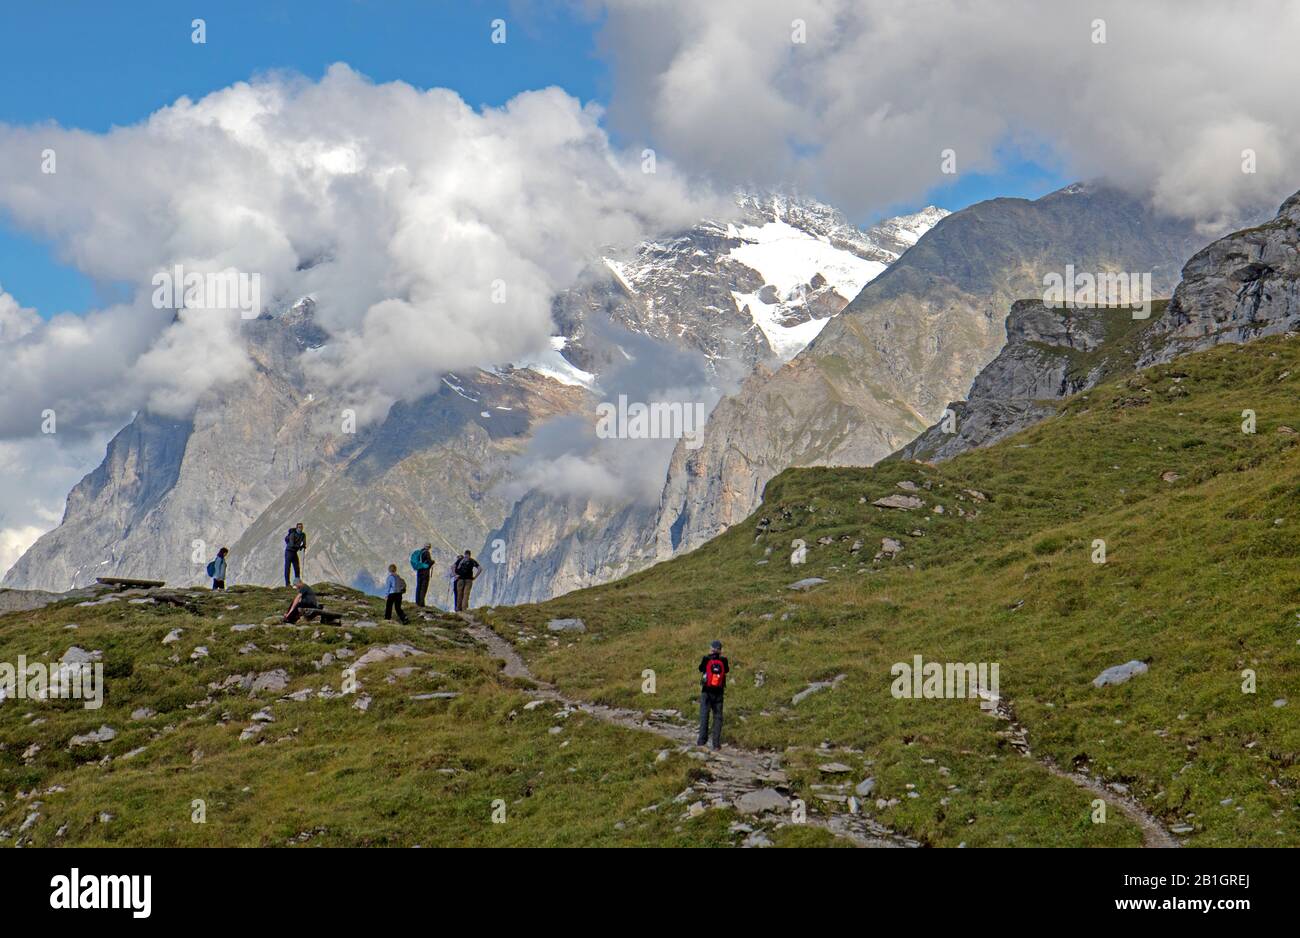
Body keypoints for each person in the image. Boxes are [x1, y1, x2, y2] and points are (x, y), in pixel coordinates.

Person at [697, 640, 729, 750]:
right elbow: (727, 671)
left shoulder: (706, 659)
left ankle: (702, 741)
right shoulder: (724, 660)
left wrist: (709, 655)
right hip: (719, 692)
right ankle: (716, 744)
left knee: (704, 715)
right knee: (718, 717)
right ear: (721, 650)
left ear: (711, 648)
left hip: (706, 691)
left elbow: (701, 669)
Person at [410, 543, 435, 607]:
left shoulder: (420, 552)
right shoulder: (427, 553)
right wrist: (433, 562)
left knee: (418, 586)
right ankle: (421, 603)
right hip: (425, 573)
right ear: (429, 547)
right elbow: (429, 563)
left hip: (419, 571)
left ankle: (417, 602)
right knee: (424, 587)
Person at [284, 523, 307, 587]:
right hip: (289, 552)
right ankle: (287, 584)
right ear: (296, 528)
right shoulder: (292, 534)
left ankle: (297, 583)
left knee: (297, 568)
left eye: (301, 527)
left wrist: (303, 546)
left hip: (293, 552)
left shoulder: (303, 535)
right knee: (287, 568)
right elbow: (291, 544)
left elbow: (304, 543)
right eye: (299, 527)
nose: (300, 528)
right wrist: (300, 547)